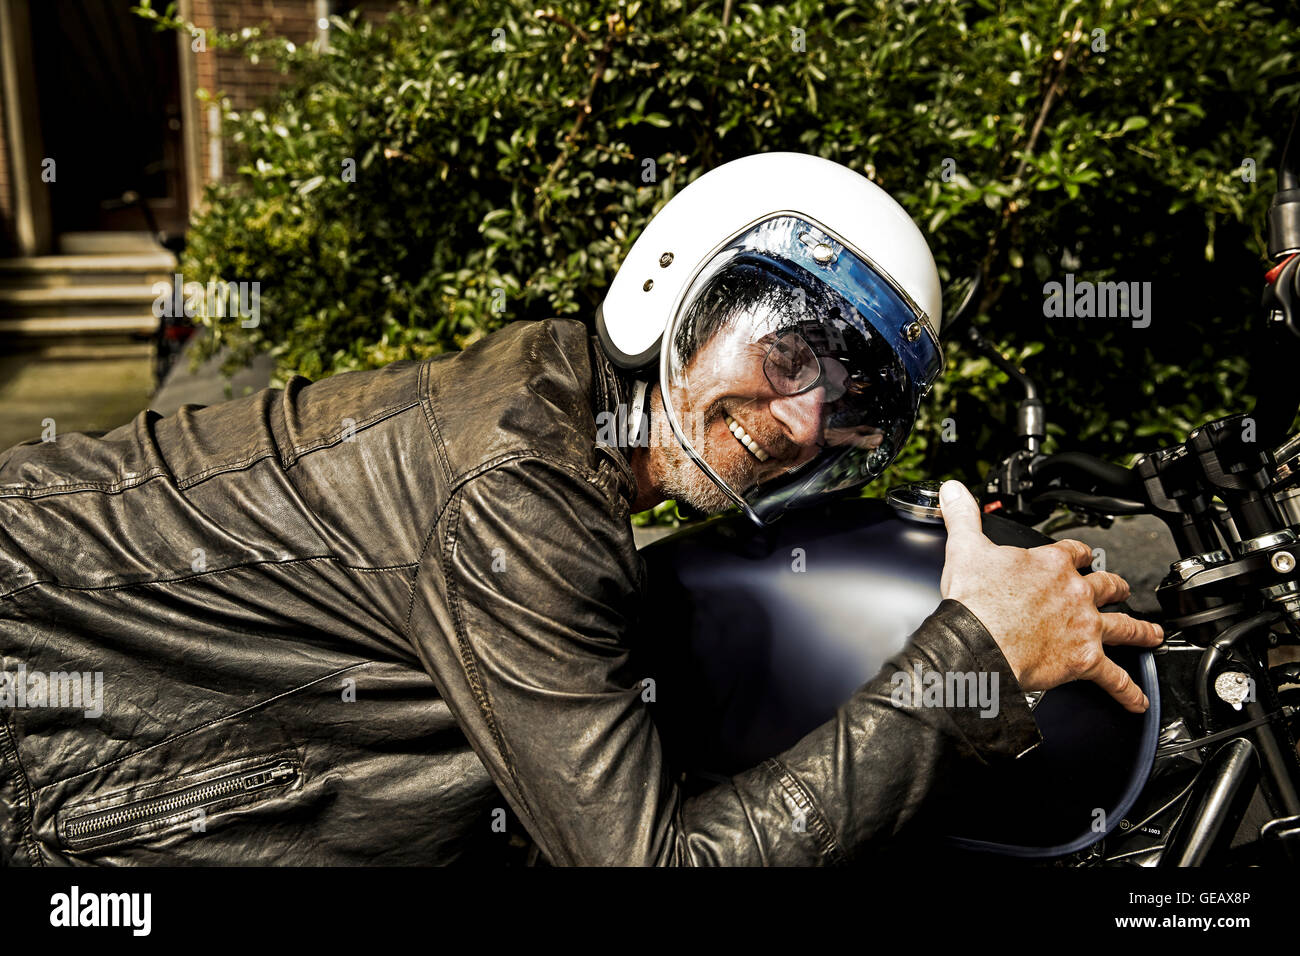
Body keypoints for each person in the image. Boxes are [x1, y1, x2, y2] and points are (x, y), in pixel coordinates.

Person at [0, 152, 1161, 866]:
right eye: (794, 352)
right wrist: (969, 660)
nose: (804, 421)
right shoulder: (521, 491)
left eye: (851, 404)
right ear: (677, 290)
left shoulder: (559, 410)